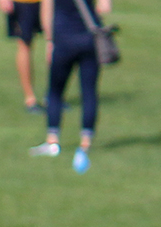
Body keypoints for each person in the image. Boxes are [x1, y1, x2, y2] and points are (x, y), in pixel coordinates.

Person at [30, 0, 112, 157]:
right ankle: (86, 142)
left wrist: (49, 40)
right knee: (89, 91)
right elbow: (105, 7)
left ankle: (52, 140)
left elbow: (46, 11)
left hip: (63, 40)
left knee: (55, 91)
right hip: (89, 40)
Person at [0, 0, 45, 111]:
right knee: (25, 44)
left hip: (51, 3)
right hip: (23, 3)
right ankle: (30, 99)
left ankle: (54, 95)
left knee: (55, 42)